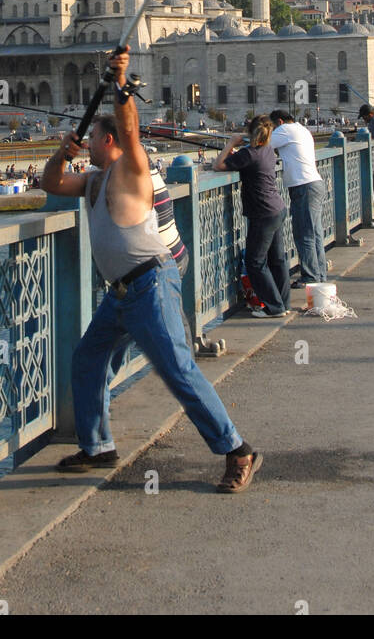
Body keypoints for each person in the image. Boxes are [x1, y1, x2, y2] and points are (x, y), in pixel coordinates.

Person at [41, 48, 261, 494]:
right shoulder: (93, 180)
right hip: (119, 294)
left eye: (93, 139)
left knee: (178, 371)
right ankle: (98, 445)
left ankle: (237, 450)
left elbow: (129, 128)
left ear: (107, 142)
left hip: (149, 282)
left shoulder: (132, 168)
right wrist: (61, 154)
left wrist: (121, 83)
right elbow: (50, 184)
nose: (90, 144)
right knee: (87, 359)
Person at [214, 117, 290, 317]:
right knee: (277, 259)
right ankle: (283, 303)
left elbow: (218, 166)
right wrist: (237, 151)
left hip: (262, 213)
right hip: (278, 208)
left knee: (254, 262)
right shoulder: (267, 151)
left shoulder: (249, 153)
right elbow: (241, 162)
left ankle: (274, 307)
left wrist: (231, 143)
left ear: (251, 132)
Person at [268, 108, 328, 289]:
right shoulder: (302, 129)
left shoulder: (284, 130)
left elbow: (261, 145)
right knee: (315, 234)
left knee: (304, 234)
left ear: (279, 121)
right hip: (314, 183)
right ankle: (320, 275)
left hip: (304, 186)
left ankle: (310, 277)